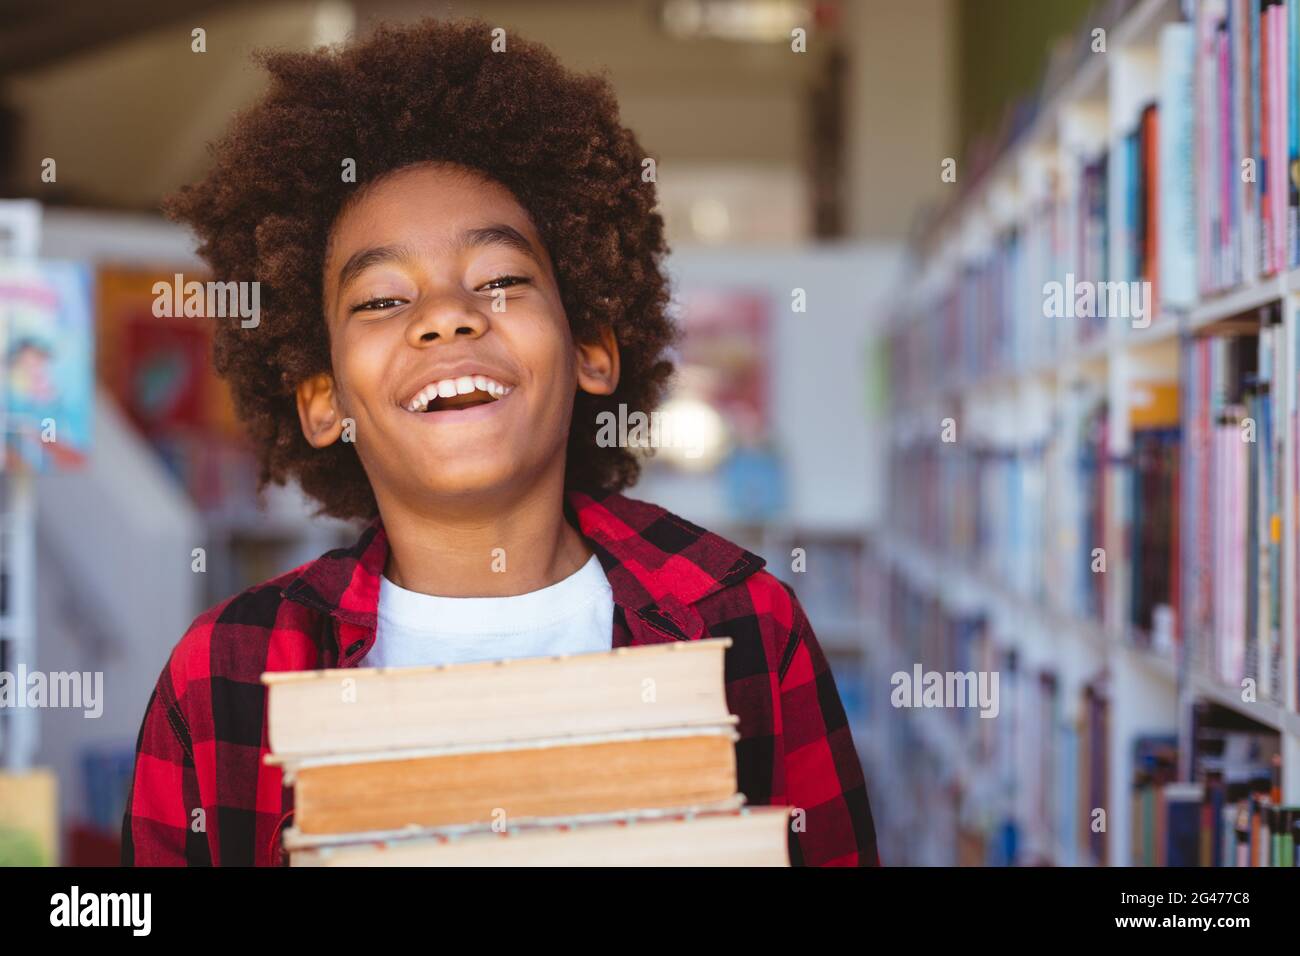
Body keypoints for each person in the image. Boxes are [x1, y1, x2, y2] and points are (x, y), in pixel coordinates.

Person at [121, 17, 878, 867]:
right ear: (324, 400)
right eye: (379, 300)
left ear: (591, 350)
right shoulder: (222, 675)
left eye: (502, 281)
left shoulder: (745, 624)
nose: (447, 315)